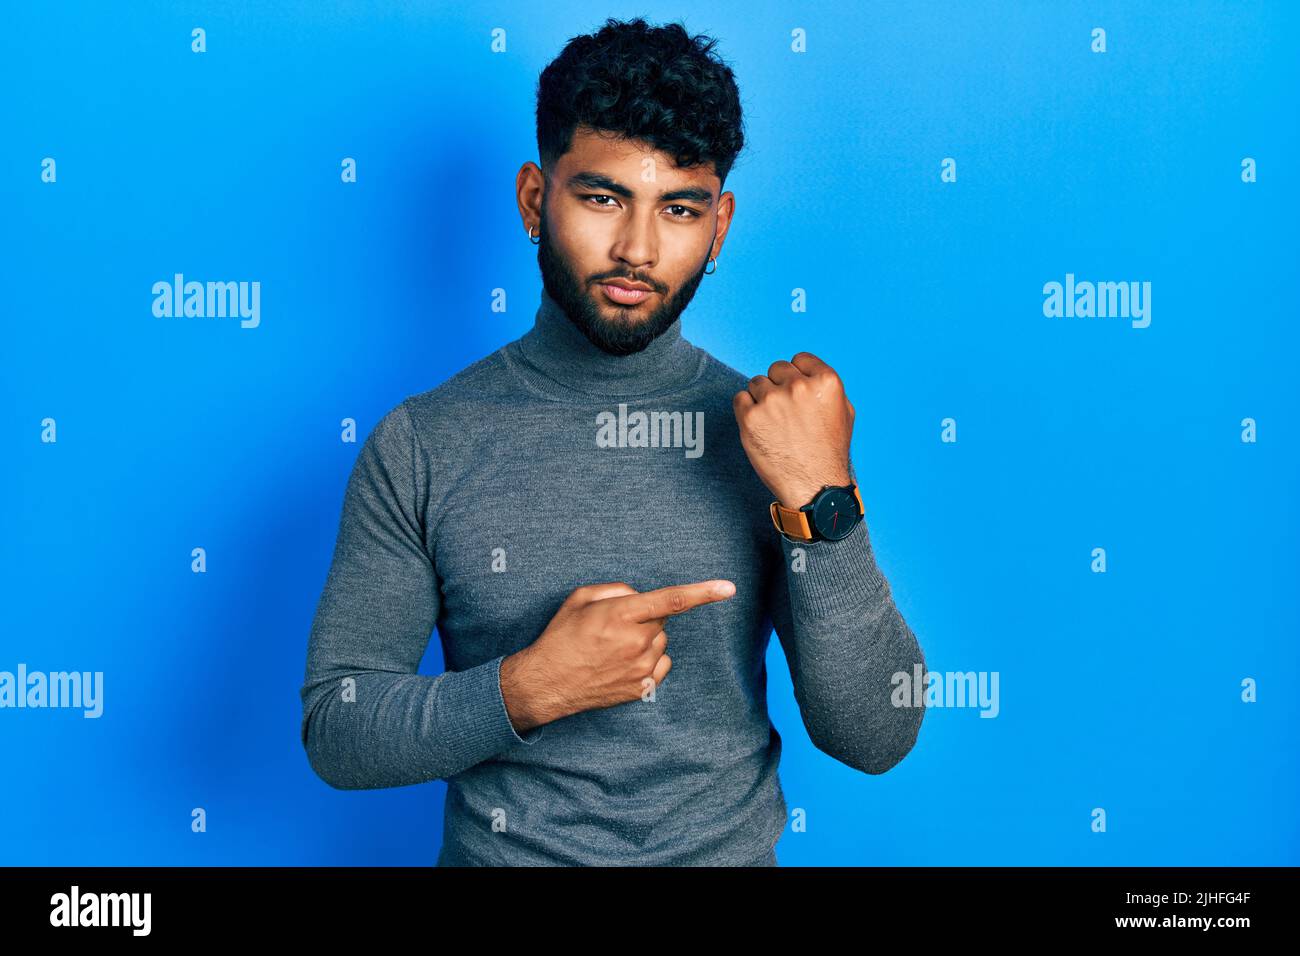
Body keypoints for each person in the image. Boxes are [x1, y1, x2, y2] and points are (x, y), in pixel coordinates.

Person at [299, 16, 927, 867]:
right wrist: (529, 688)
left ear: (720, 225)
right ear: (534, 199)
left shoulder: (773, 437)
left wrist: (824, 501)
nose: (637, 249)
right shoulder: (422, 443)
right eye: (603, 198)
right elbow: (337, 729)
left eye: (678, 208)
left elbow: (875, 734)